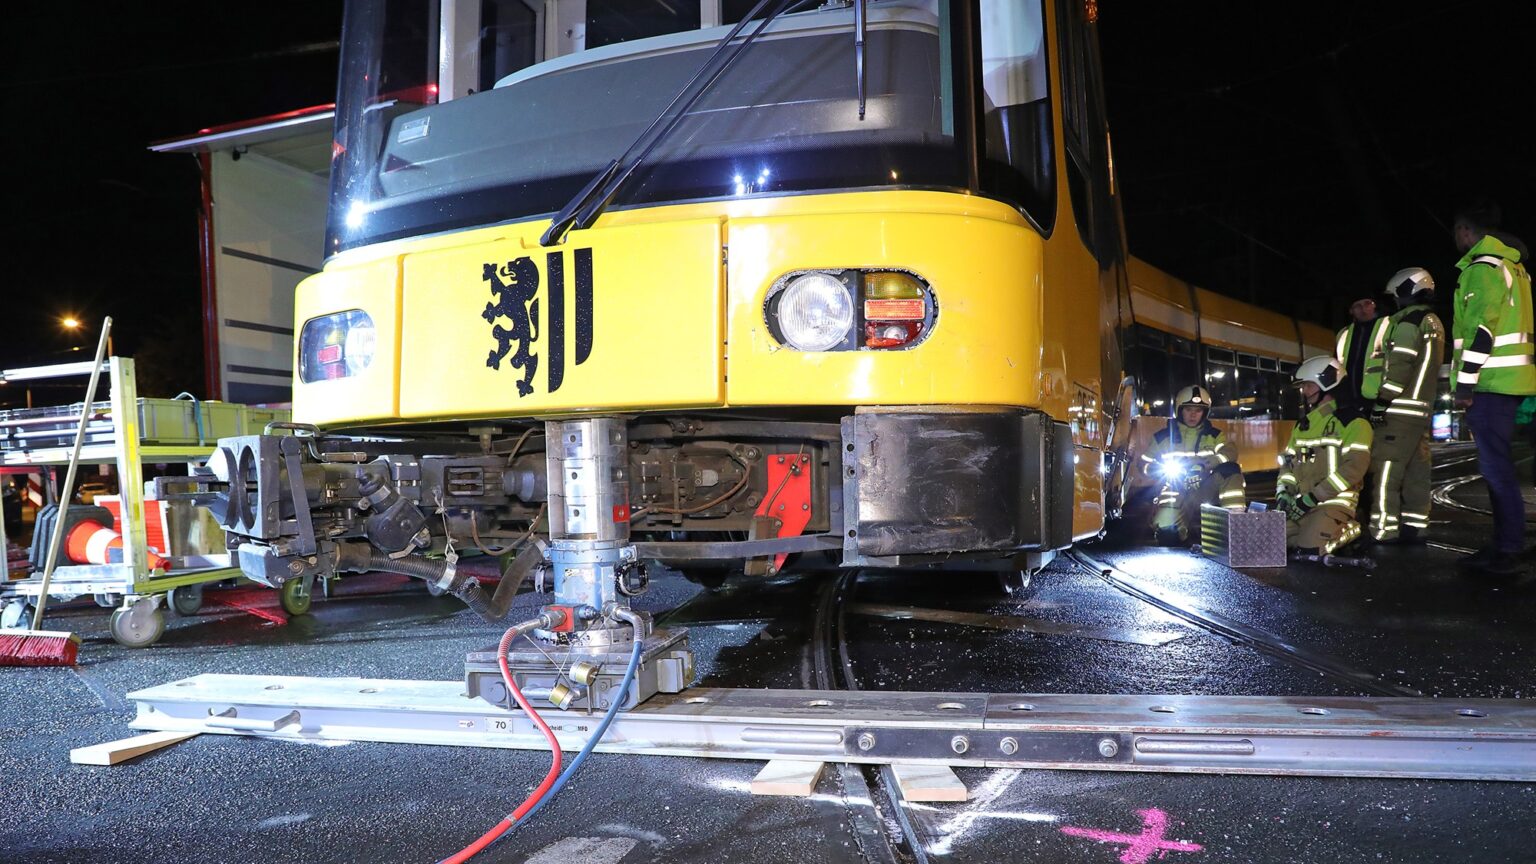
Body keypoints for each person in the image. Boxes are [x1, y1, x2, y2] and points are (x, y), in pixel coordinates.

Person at [1450, 200, 1536, 576]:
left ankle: (1509, 548)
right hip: (1510, 381)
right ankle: (1503, 543)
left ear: (1467, 231)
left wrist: (1465, 385)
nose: (1456, 238)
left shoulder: (1482, 269)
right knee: (1496, 467)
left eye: (1457, 231)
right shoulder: (1514, 268)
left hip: (1490, 382)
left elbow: (1481, 330)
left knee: (1496, 469)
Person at [1366, 267, 1445, 543]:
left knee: (1386, 471)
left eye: (1396, 295)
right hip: (1421, 410)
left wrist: (1381, 402)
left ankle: (1383, 530)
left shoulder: (1409, 322)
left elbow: (1400, 365)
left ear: (1407, 290)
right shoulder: (1433, 321)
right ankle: (1415, 526)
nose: (1395, 301)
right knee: (1417, 472)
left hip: (1399, 411)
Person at [1277, 356, 1373, 555]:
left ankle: (1353, 529)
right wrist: (1284, 492)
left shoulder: (1354, 423)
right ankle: (1310, 533)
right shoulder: (1302, 426)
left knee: (1311, 549)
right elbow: (1287, 465)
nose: (1305, 391)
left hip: (1334, 503)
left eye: (1309, 385)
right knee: (1273, 542)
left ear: (1328, 384)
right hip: (1301, 505)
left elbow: (1353, 469)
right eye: (1304, 386)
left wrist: (1314, 497)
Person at [1141, 385, 1246, 545]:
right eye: (1188, 409)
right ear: (1179, 410)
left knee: (1230, 469)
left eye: (1198, 410)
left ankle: (1235, 523)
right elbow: (1143, 463)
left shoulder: (1214, 436)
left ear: (1205, 412)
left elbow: (1230, 451)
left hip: (1205, 488)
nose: (1193, 415)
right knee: (1168, 535)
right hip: (1176, 490)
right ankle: (1182, 529)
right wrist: (1155, 469)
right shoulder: (1162, 438)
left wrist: (1205, 466)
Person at [1335, 298, 1390, 411]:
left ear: (1374, 305)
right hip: (1348, 401)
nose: (1363, 309)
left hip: (1379, 400)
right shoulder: (1343, 333)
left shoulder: (1389, 326)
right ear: (1351, 311)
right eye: (1358, 306)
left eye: (1367, 304)